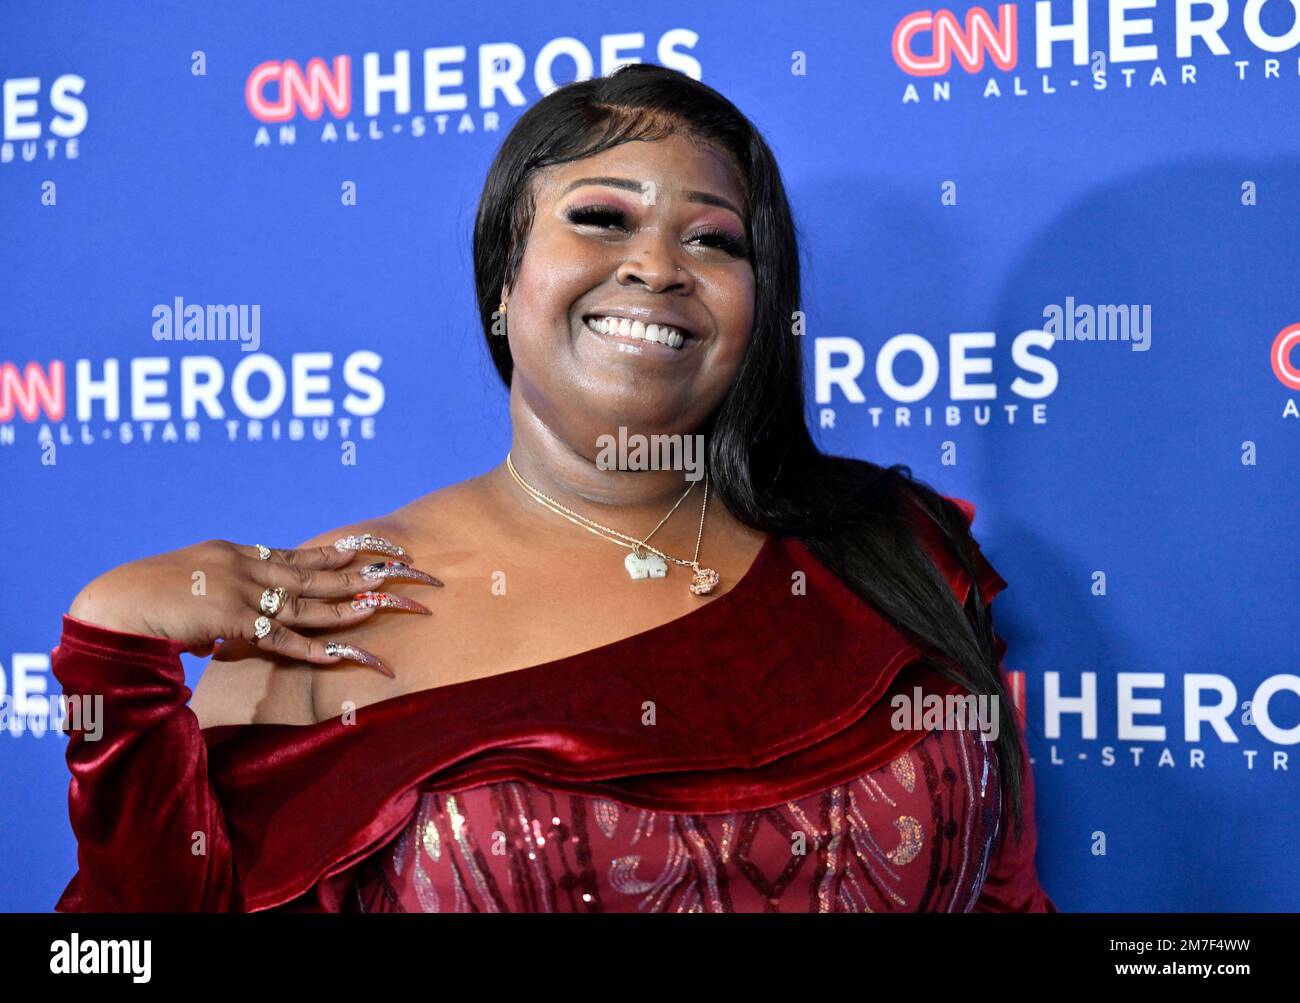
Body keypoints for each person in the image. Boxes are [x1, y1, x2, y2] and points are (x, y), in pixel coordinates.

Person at [52, 63, 1056, 913]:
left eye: (713, 239)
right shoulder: (323, 614)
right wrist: (115, 661)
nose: (659, 266)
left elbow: (1009, 893)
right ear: (502, 281)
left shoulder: (891, 553)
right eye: (601, 218)